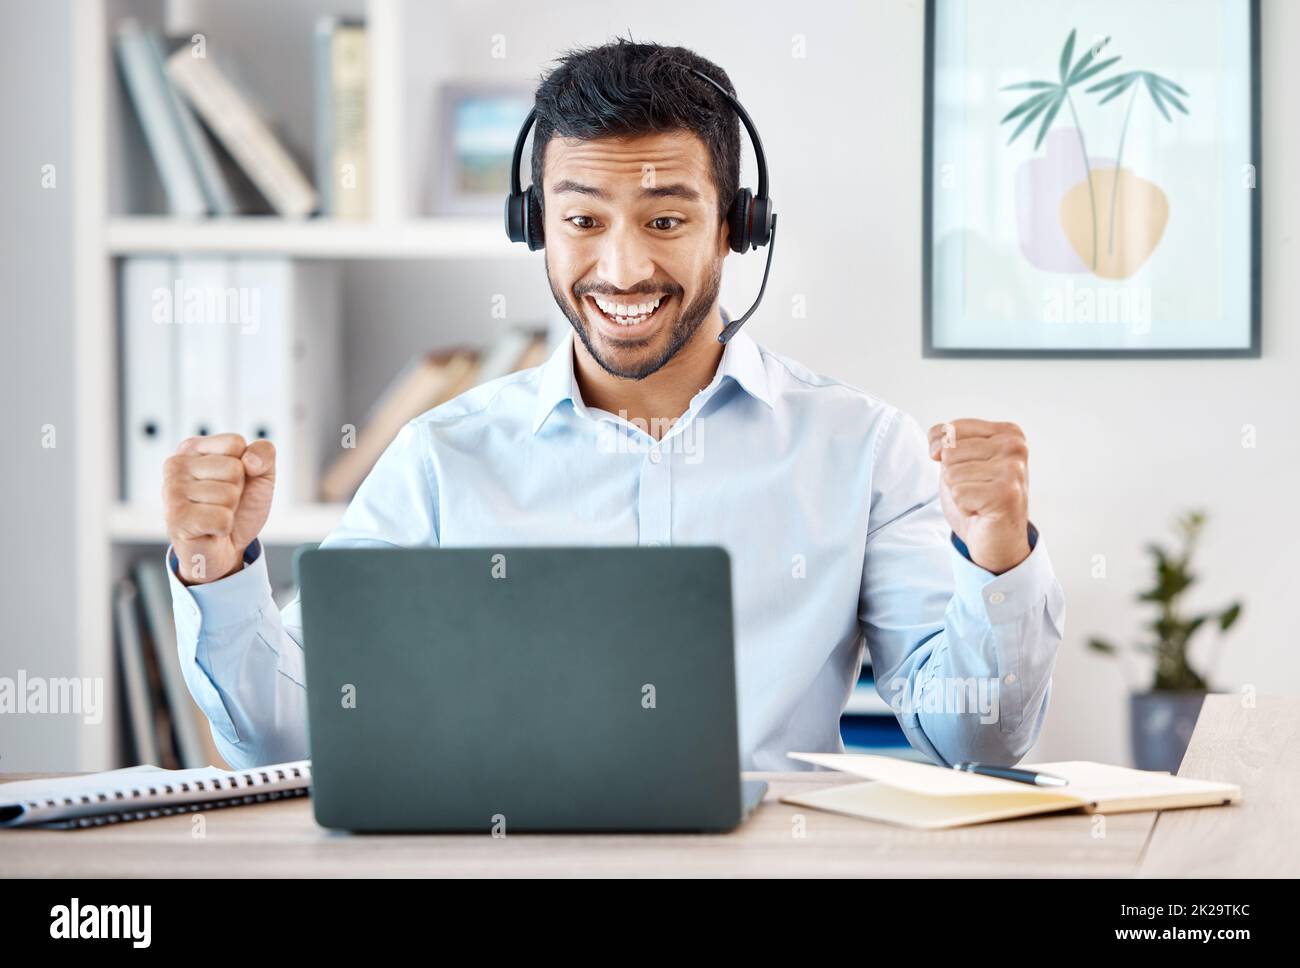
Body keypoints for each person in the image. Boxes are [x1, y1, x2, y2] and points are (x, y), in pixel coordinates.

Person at [162, 38, 1064, 772]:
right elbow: (288, 740)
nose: (623, 269)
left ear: (736, 226)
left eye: (666, 220)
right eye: (583, 220)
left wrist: (996, 557)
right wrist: (219, 571)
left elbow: (975, 740)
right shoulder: (443, 457)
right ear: (535, 227)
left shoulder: (862, 447)